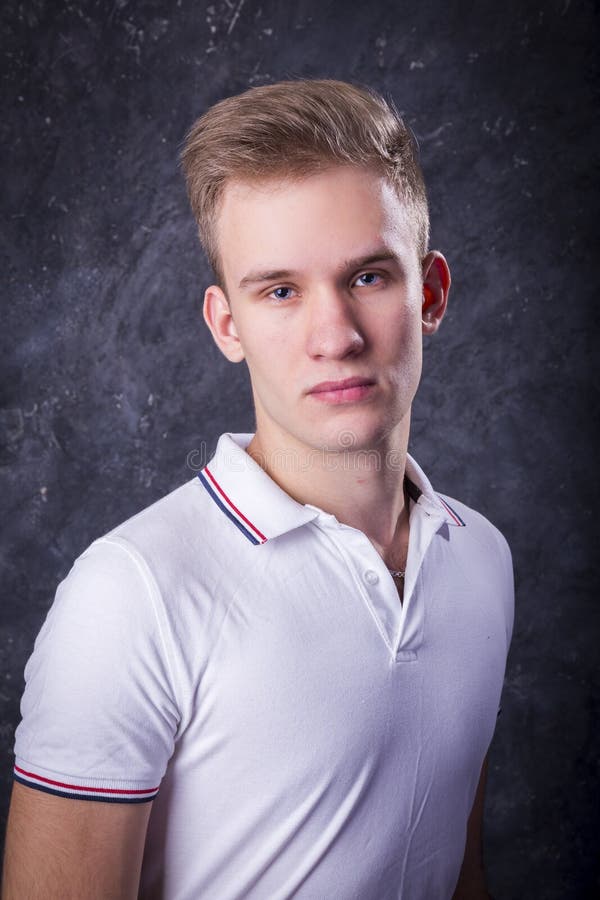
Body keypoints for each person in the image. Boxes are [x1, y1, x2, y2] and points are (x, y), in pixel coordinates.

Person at [2, 79, 514, 899]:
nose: (335, 336)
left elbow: (457, 874)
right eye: (280, 290)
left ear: (430, 294)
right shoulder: (131, 594)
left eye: (368, 278)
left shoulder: (481, 557)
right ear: (226, 324)